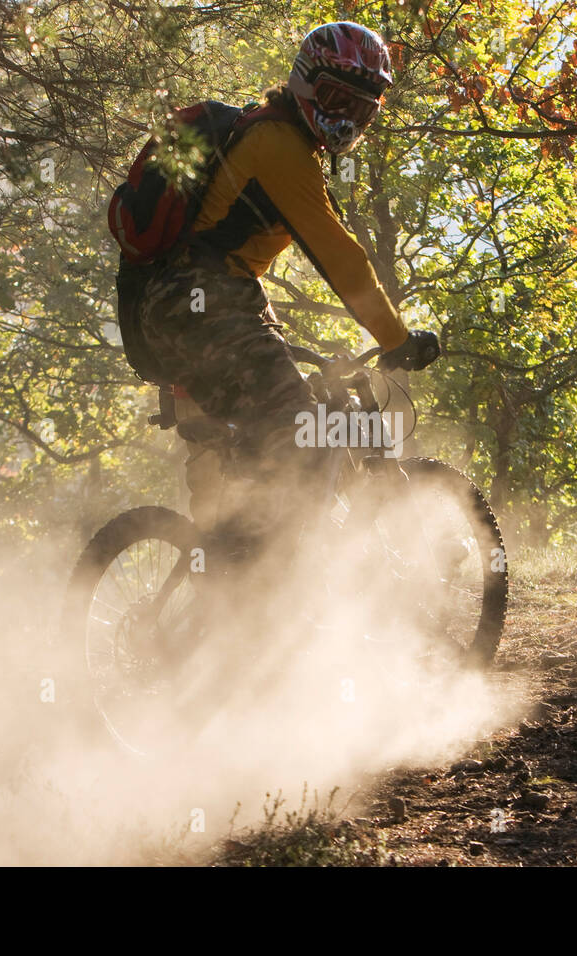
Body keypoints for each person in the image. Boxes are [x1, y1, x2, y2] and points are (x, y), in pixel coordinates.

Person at [119, 21, 439, 558]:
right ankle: (254, 573)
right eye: (338, 98)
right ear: (306, 82)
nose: (346, 118)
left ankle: (228, 575)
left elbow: (318, 240)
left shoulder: (284, 145)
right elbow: (340, 257)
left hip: (202, 305)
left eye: (361, 110)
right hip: (196, 303)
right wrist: (395, 339)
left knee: (281, 421)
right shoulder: (278, 144)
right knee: (304, 429)